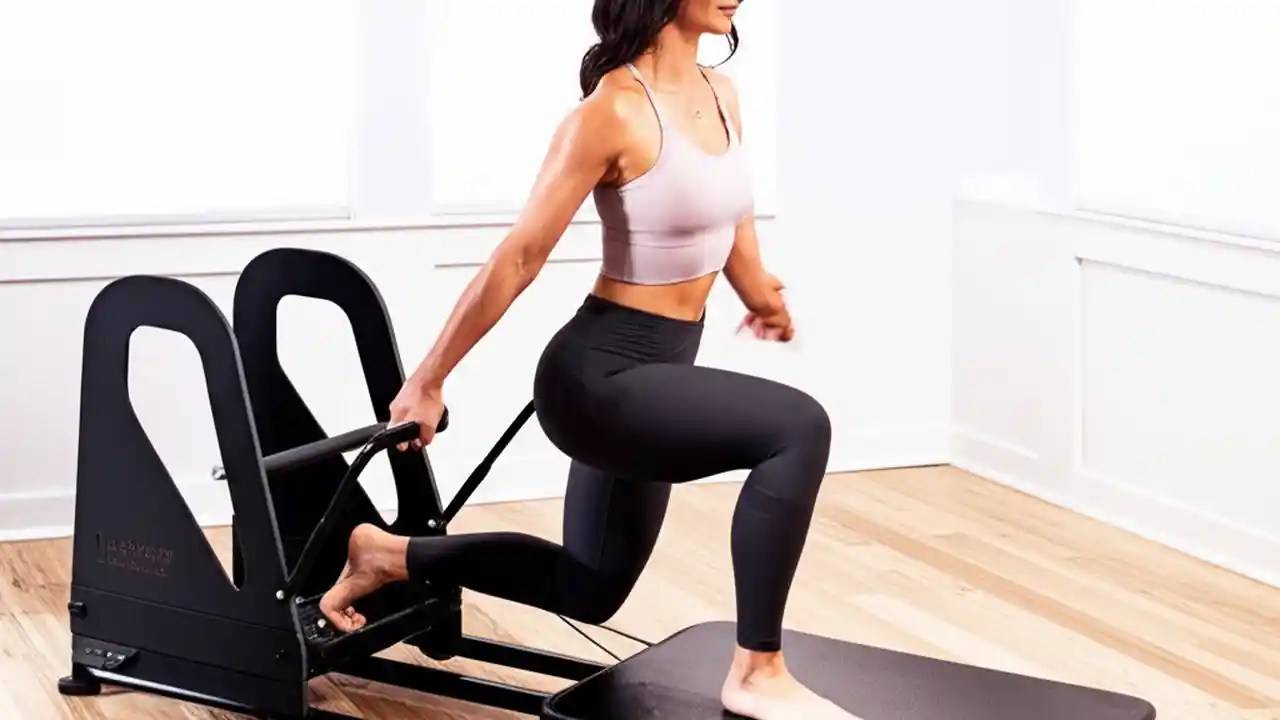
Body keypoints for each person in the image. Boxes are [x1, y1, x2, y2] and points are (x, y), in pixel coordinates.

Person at [319, 1, 854, 718]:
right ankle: (758, 669)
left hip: (661, 371)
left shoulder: (723, 94)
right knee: (799, 428)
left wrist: (760, 295)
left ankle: (386, 555)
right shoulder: (612, 112)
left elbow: (731, 220)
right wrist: (427, 380)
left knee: (589, 588)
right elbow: (520, 256)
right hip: (598, 379)